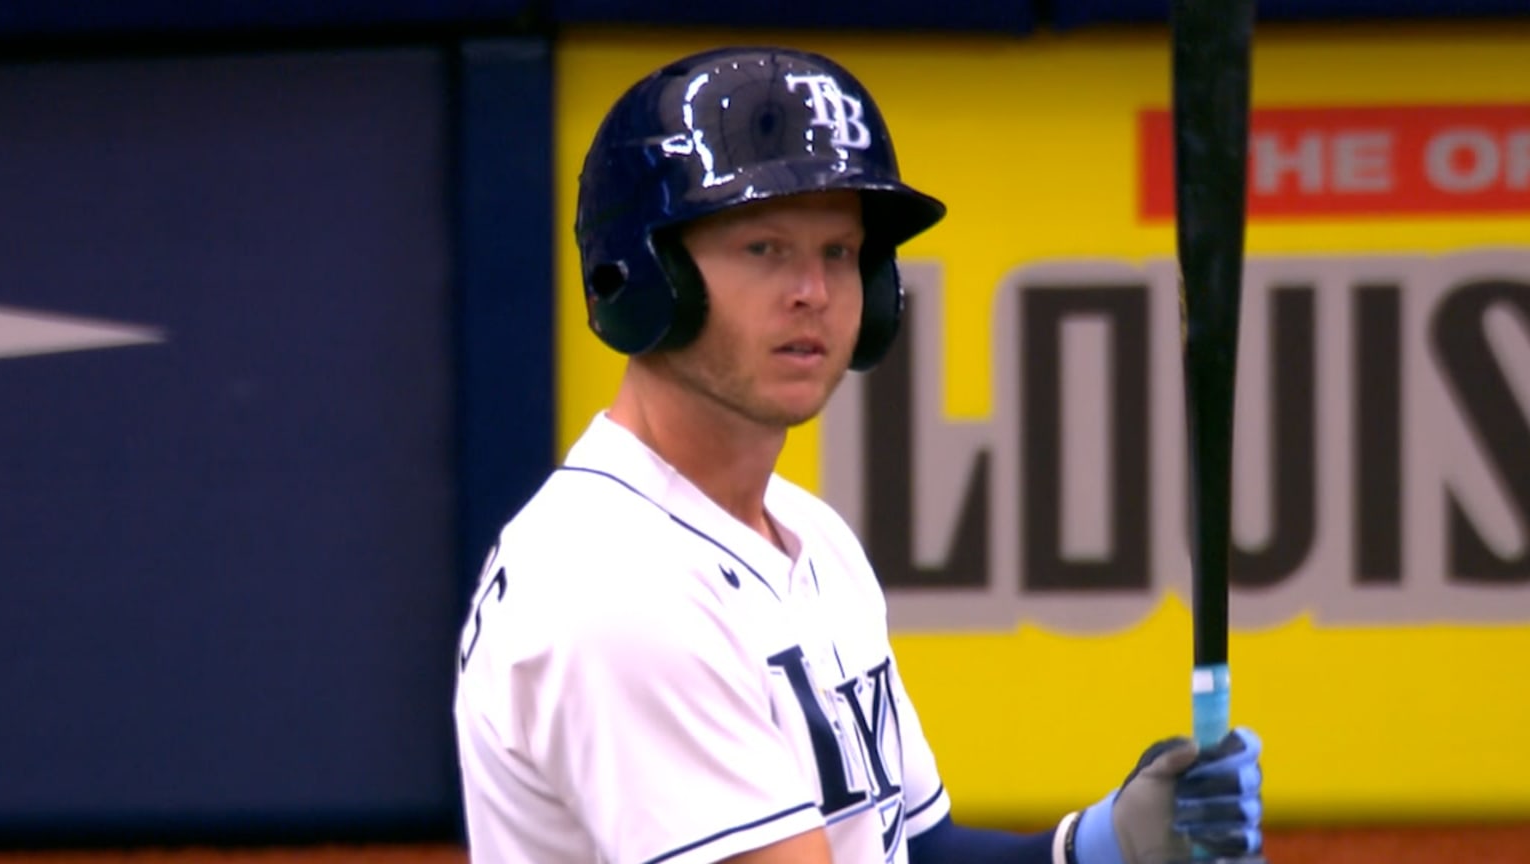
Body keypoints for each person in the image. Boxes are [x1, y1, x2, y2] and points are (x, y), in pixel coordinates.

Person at [453, 46, 1264, 864]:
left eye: (839, 252)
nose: (814, 290)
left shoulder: (807, 537)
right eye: (764, 248)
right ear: (647, 277)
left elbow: (912, 847)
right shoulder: (614, 588)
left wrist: (1092, 847)